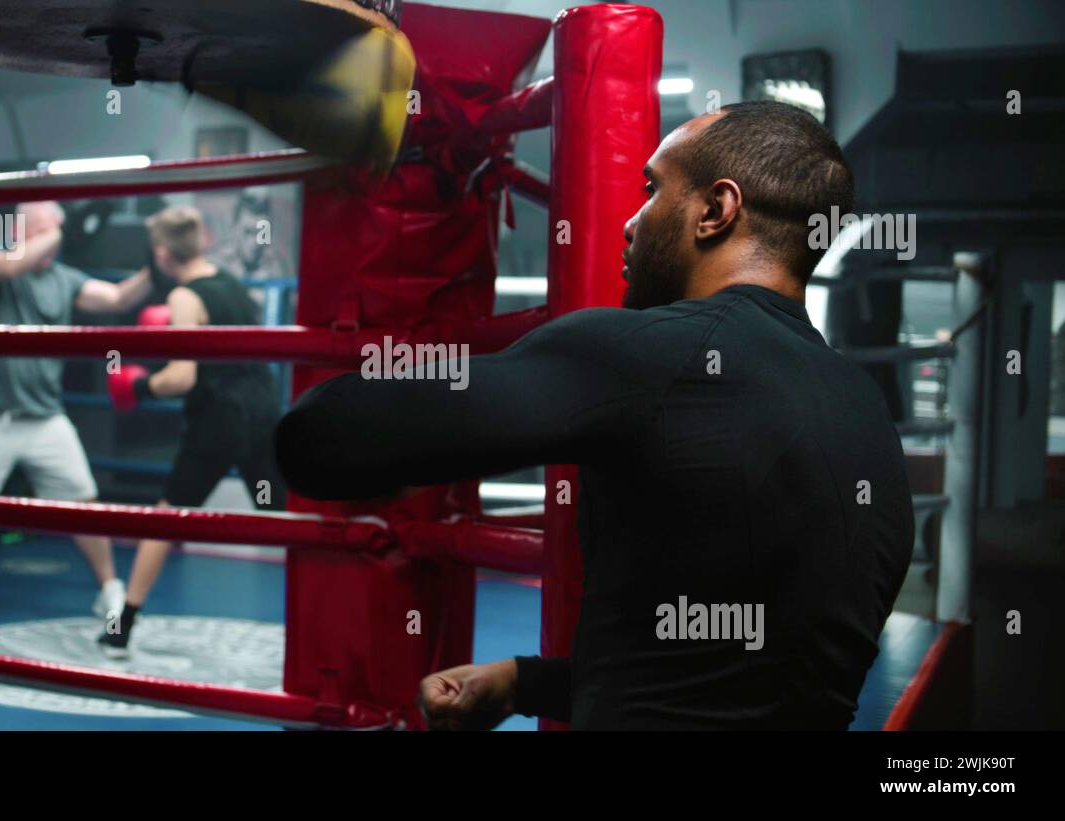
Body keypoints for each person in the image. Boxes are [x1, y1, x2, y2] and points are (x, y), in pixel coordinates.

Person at [273, 101, 915, 730]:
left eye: (651, 189)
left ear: (717, 210)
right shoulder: (865, 412)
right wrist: (523, 682)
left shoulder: (643, 355)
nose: (632, 222)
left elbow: (320, 439)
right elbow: (739, 680)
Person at [0, 201, 154, 619]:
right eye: (45, 228)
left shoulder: (64, 278)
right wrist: (66, 229)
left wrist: (158, 264)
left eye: (58, 229)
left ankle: (109, 588)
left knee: (83, 503)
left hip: (44, 418)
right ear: (22, 231)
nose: (54, 238)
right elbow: (7, 269)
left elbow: (115, 298)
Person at [101, 204, 287, 658]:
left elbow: (182, 377)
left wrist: (139, 386)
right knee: (287, 521)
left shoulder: (185, 297)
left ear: (162, 254)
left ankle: (121, 627)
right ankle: (326, 622)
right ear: (202, 238)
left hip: (217, 422)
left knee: (166, 518)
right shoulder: (232, 285)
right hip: (262, 412)